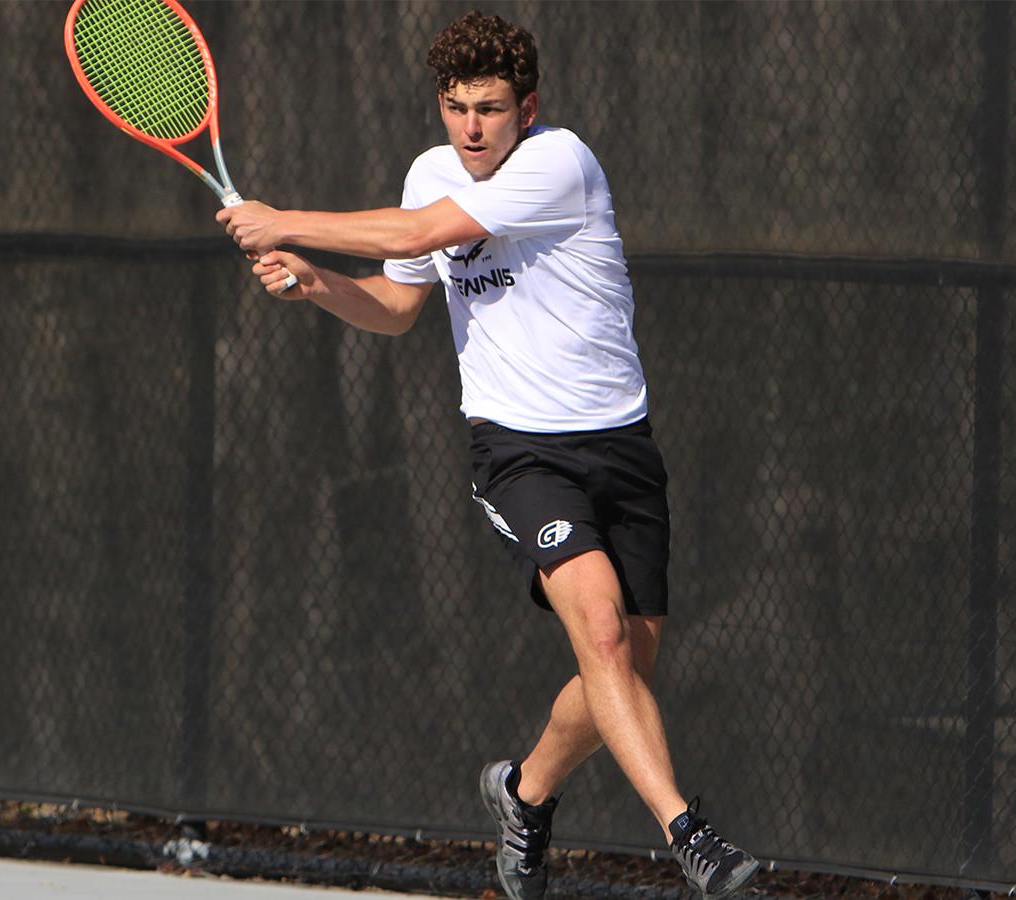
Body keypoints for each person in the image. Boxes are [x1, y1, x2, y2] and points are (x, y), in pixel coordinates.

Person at [216, 11, 759, 900]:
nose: (471, 128)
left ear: (527, 108)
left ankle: (524, 791)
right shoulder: (433, 172)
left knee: (628, 663)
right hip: (515, 449)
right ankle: (688, 832)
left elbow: (413, 235)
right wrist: (316, 283)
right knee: (602, 633)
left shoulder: (559, 161)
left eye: (490, 108)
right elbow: (395, 308)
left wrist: (285, 221)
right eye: (457, 107)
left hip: (621, 446)